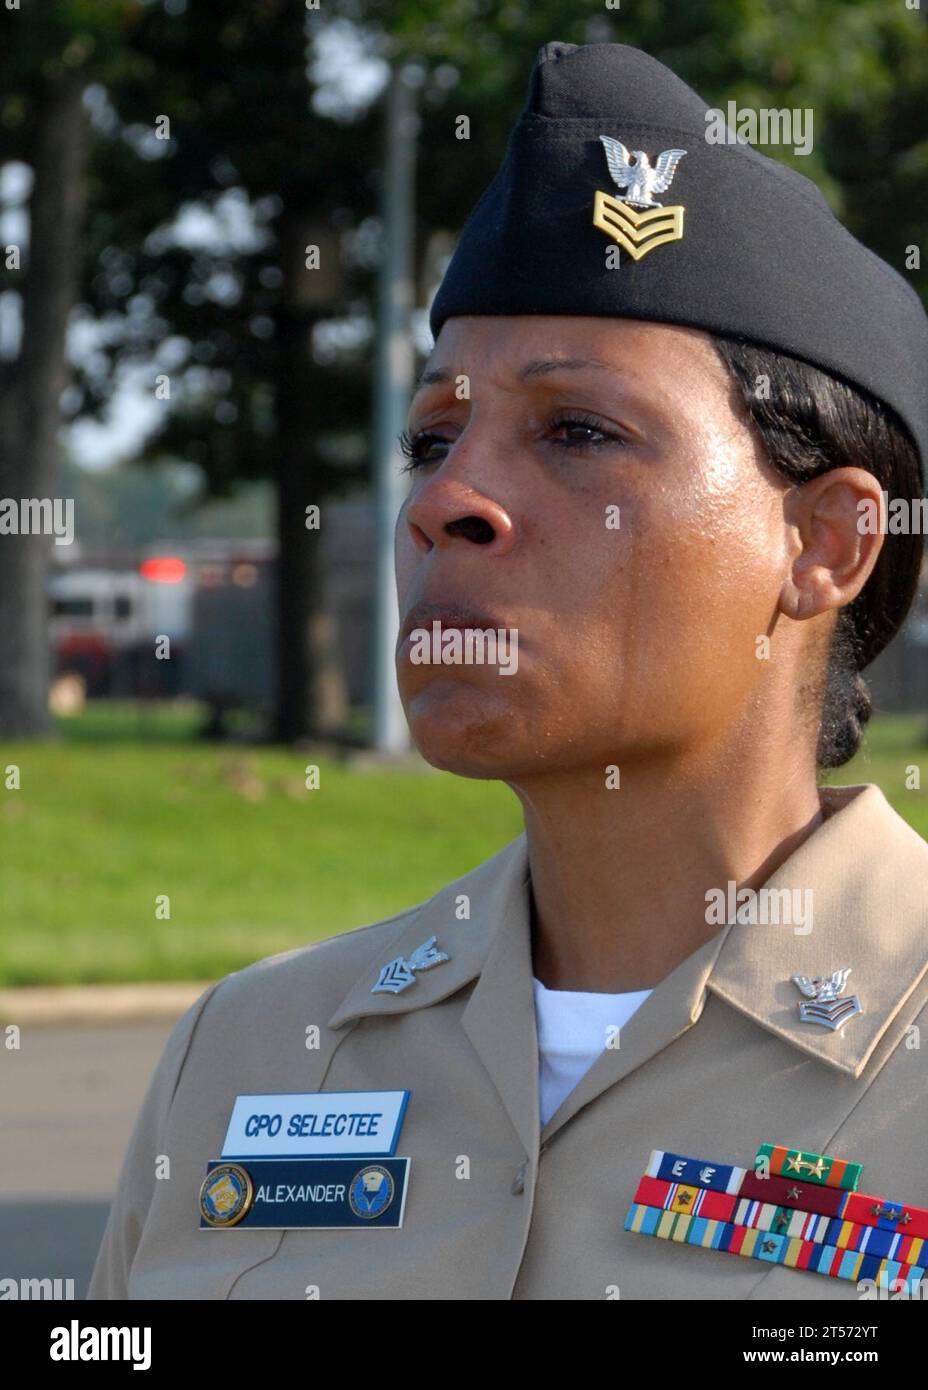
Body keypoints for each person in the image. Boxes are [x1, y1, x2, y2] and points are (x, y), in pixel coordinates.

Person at [88, 40, 928, 1301]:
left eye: (579, 431)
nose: (448, 501)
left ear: (821, 543)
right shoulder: (254, 1050)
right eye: (432, 436)